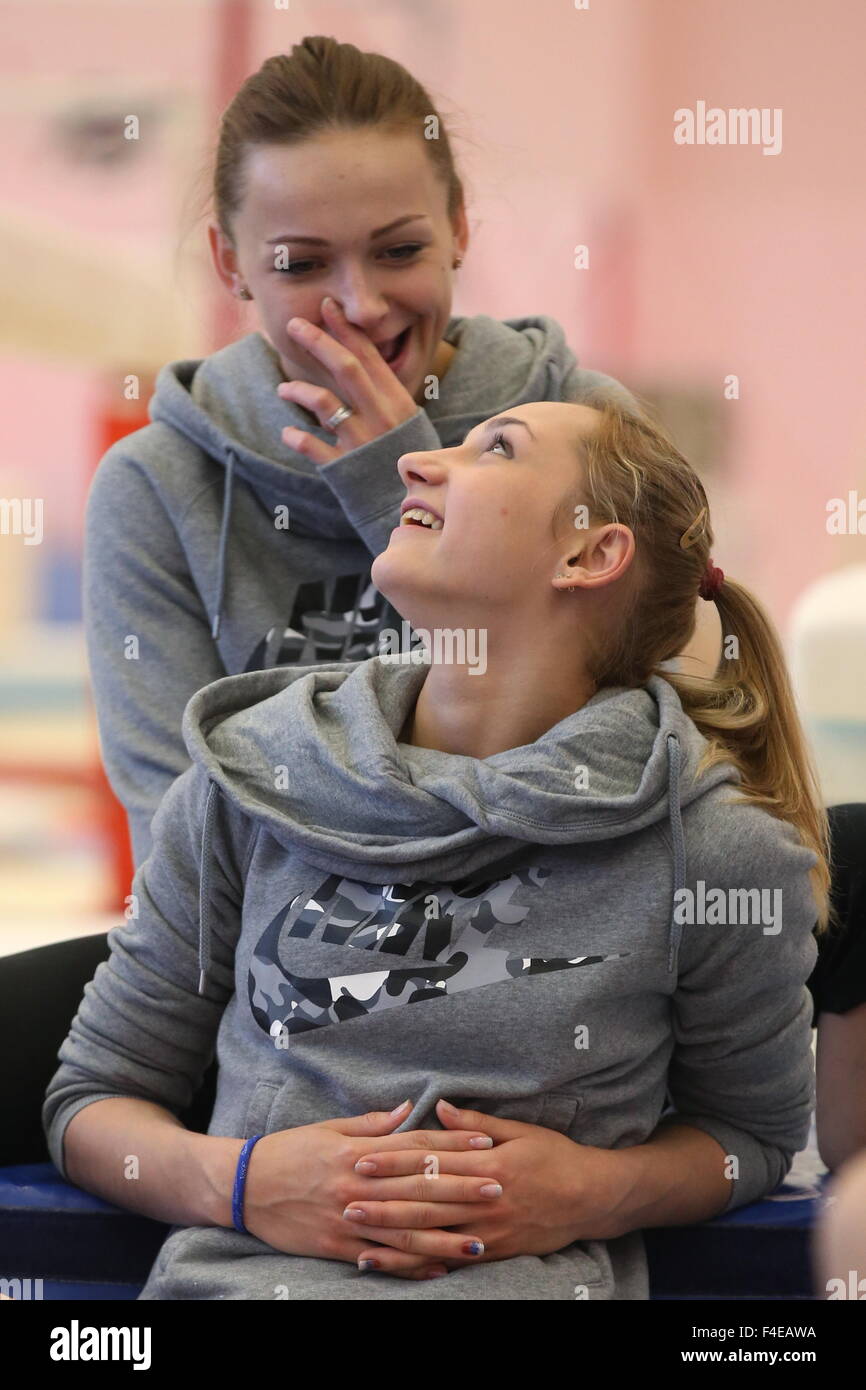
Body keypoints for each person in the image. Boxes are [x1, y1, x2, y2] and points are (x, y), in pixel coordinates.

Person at [43, 395, 830, 1300]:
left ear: (589, 552)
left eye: (495, 449)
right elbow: (88, 1105)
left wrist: (596, 1192)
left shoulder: (718, 850)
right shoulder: (250, 784)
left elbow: (754, 1141)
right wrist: (245, 1183)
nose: (416, 463)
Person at [84, 34, 643, 868]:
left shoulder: (588, 426)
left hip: (545, 948)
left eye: (398, 250)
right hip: (280, 971)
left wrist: (403, 496)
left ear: (457, 228)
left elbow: (628, 764)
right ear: (229, 263)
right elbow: (184, 851)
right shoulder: (157, 486)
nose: (361, 306)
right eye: (303, 263)